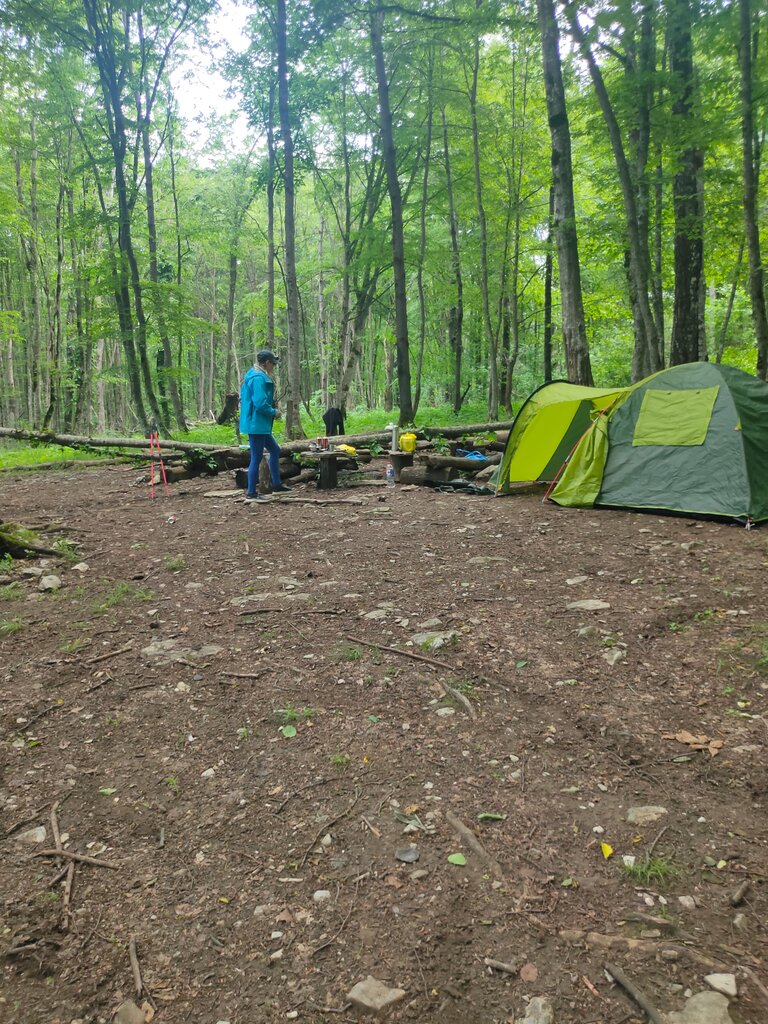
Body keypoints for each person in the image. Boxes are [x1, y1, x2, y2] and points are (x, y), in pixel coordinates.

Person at [239, 350, 291, 503]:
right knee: (256, 457)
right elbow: (260, 403)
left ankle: (276, 484)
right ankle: (251, 493)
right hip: (256, 423)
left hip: (259, 423)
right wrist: (274, 412)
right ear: (267, 363)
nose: (274, 367)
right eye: (273, 364)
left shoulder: (256, 374)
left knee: (275, 450)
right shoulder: (257, 378)